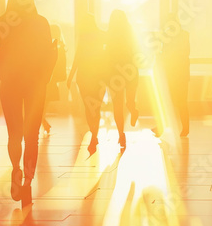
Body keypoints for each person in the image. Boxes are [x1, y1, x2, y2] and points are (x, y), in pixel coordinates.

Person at [0, 0, 56, 204]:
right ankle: (28, 183)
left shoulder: (8, 22)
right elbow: (47, 52)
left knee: (14, 133)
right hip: (35, 84)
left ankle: (16, 168)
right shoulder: (41, 22)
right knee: (31, 136)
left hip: (11, 83)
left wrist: (6, 17)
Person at [68, 14, 107, 154]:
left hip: (84, 77)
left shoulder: (83, 37)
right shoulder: (103, 35)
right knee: (96, 106)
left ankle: (93, 132)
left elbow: (77, 57)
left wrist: (71, 76)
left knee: (88, 106)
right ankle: (94, 134)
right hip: (100, 77)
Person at [106, 10, 139, 149]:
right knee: (128, 101)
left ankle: (121, 134)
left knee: (117, 106)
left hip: (115, 73)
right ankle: (133, 110)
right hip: (129, 70)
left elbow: (106, 54)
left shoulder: (110, 34)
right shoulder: (129, 32)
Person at [158, 13, 190, 137]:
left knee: (171, 101)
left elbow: (167, 54)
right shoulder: (184, 35)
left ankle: (164, 127)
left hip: (173, 73)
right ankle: (184, 127)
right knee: (181, 102)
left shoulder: (168, 36)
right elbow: (185, 53)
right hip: (180, 73)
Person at [42, 24, 67, 135]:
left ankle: (42, 121)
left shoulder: (47, 45)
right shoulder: (60, 46)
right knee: (45, 103)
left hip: (45, 78)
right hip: (51, 80)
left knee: (42, 102)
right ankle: (42, 121)